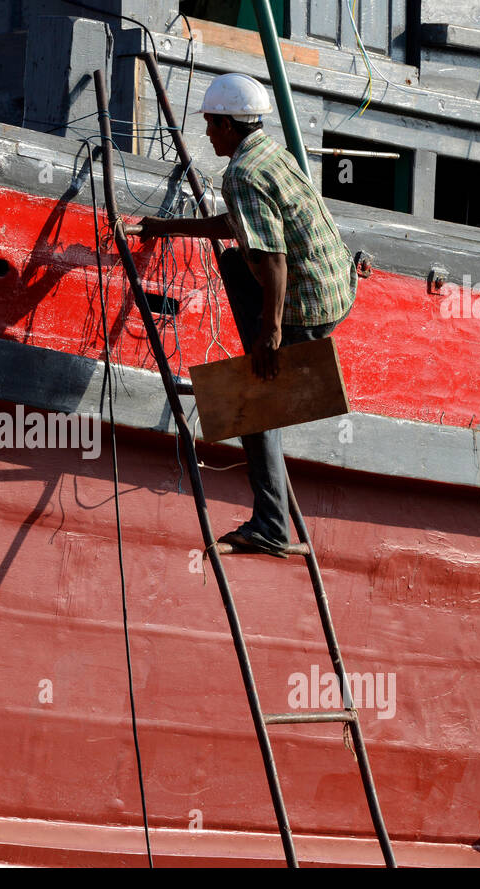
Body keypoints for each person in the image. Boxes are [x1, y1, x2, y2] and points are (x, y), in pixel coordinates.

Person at [129, 73, 357, 557]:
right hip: (335, 283)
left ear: (230, 125)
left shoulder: (241, 174)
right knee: (236, 258)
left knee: (250, 404)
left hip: (307, 302)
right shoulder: (270, 153)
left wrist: (269, 335)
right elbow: (236, 224)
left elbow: (273, 259)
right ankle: (269, 383)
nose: (208, 133)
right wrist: (166, 227)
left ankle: (271, 526)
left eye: (212, 124)